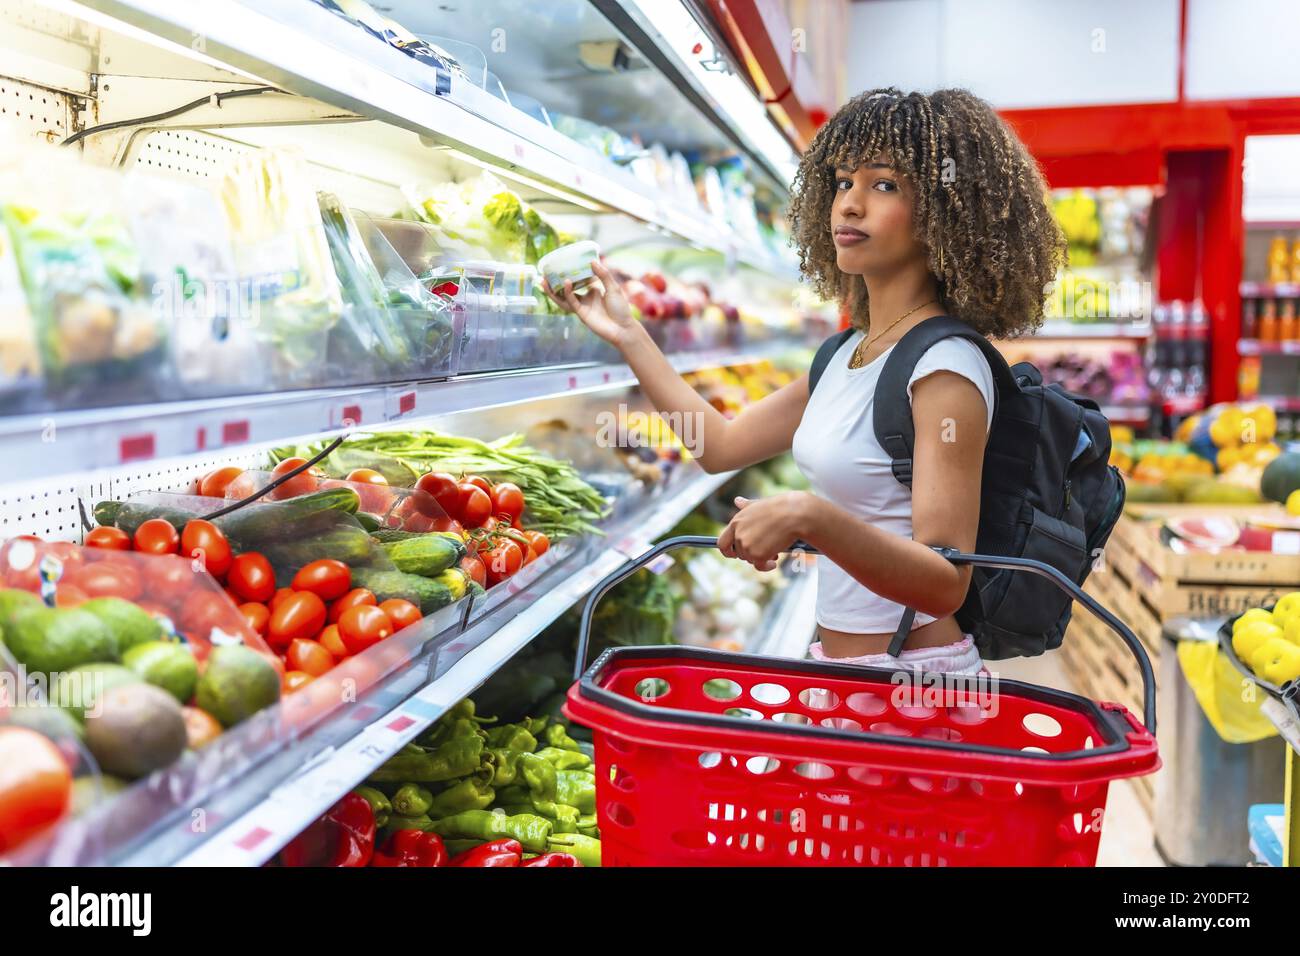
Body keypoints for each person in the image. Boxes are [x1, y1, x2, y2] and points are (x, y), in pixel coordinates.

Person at [542, 88, 1065, 676]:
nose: (850, 205)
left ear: (945, 211)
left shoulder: (945, 367)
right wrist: (629, 335)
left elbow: (944, 581)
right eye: (843, 181)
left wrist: (807, 518)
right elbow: (718, 447)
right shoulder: (846, 353)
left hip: (914, 690)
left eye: (884, 185)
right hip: (838, 675)